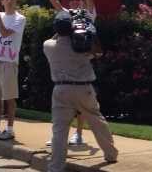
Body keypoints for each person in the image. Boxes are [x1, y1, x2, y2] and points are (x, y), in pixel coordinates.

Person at [44, 10, 118, 172]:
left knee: (59, 130)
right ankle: (110, 154)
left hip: (60, 89)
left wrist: (66, 27)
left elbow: (56, 37)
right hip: (83, 88)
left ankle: (56, 166)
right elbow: (98, 52)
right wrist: (87, 29)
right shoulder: (80, 46)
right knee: (97, 121)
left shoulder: (48, 46)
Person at [44, 0, 96, 148]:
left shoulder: (89, 14)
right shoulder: (65, 14)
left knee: (80, 105)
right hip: (65, 60)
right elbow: (54, 1)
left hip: (81, 61)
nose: (75, 0)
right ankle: (58, 136)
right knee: (62, 103)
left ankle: (78, 134)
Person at [0, 0, 26, 141]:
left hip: (9, 62)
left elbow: (4, 33)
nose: (9, 1)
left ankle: (10, 129)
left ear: (15, 1)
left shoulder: (19, 19)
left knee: (9, 97)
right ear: (1, 1)